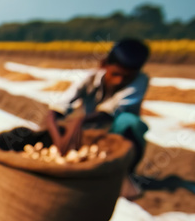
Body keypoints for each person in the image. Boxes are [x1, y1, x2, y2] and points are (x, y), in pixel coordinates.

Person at [45, 38, 151, 198]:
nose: (119, 81)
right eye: (115, 74)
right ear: (103, 65)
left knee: (129, 121)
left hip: (119, 133)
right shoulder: (88, 78)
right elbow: (56, 109)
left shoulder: (141, 80)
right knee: (57, 129)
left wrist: (80, 120)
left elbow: (111, 110)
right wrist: (57, 135)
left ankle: (124, 174)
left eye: (126, 77)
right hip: (91, 133)